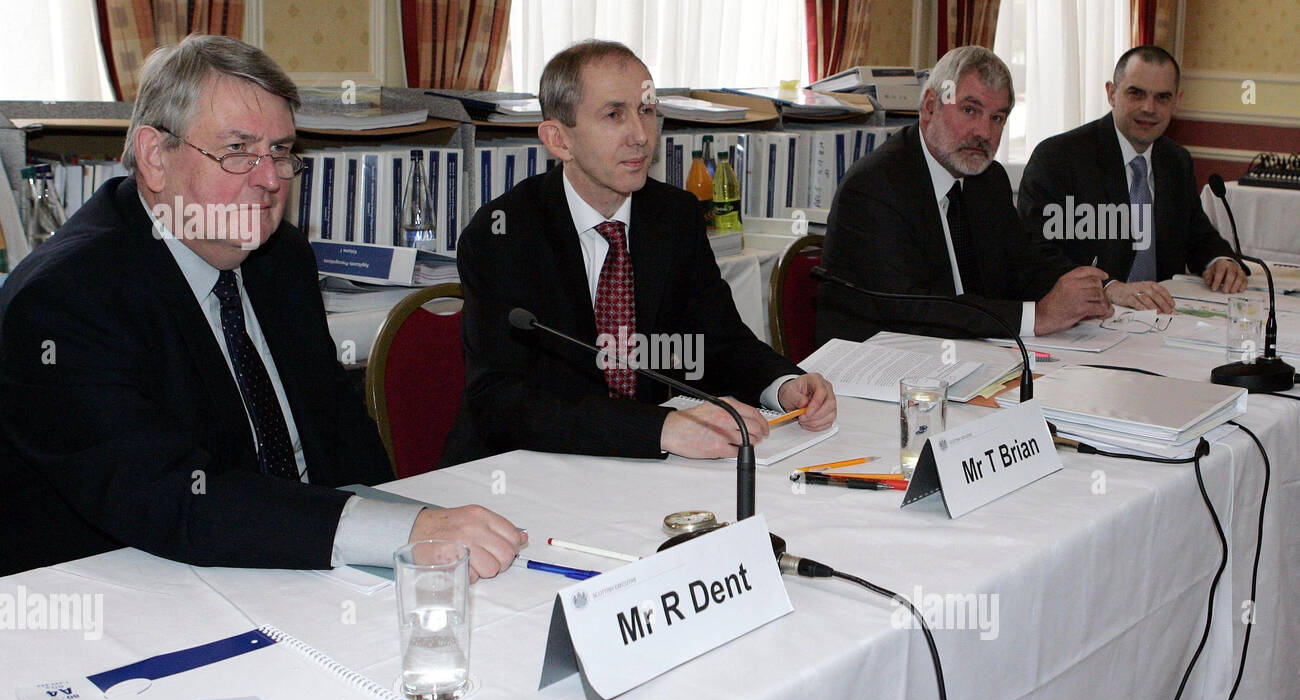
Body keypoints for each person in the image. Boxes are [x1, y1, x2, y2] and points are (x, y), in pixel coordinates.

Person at [0, 35, 524, 578]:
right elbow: (169, 497)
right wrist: (396, 531)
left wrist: (403, 522)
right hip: (130, 586)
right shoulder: (67, 298)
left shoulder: (280, 257)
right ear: (156, 157)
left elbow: (338, 428)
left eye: (279, 151)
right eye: (237, 151)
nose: (271, 179)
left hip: (302, 558)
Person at [441, 40, 835, 465]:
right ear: (559, 140)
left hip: (638, 465)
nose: (641, 135)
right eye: (614, 115)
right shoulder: (503, 233)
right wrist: (658, 428)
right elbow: (500, 401)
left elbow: (716, 341)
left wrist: (782, 385)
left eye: (646, 110)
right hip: (522, 468)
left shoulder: (674, 215)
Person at [815, 46, 1113, 344]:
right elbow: (911, 310)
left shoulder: (987, 179)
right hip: (884, 364)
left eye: (997, 118)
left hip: (972, 356)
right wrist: (1039, 316)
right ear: (931, 107)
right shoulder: (876, 187)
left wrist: (1098, 288)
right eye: (970, 110)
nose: (983, 132)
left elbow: (1025, 262)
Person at [1018, 46, 1243, 313]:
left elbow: (1197, 234)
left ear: (1176, 102)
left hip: (1162, 318)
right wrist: (1109, 287)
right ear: (1112, 93)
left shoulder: (1175, 160)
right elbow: (1034, 251)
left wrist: (1218, 260)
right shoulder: (1059, 158)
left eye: (1162, 98)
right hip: (1085, 321)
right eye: (1136, 94)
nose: (1149, 108)